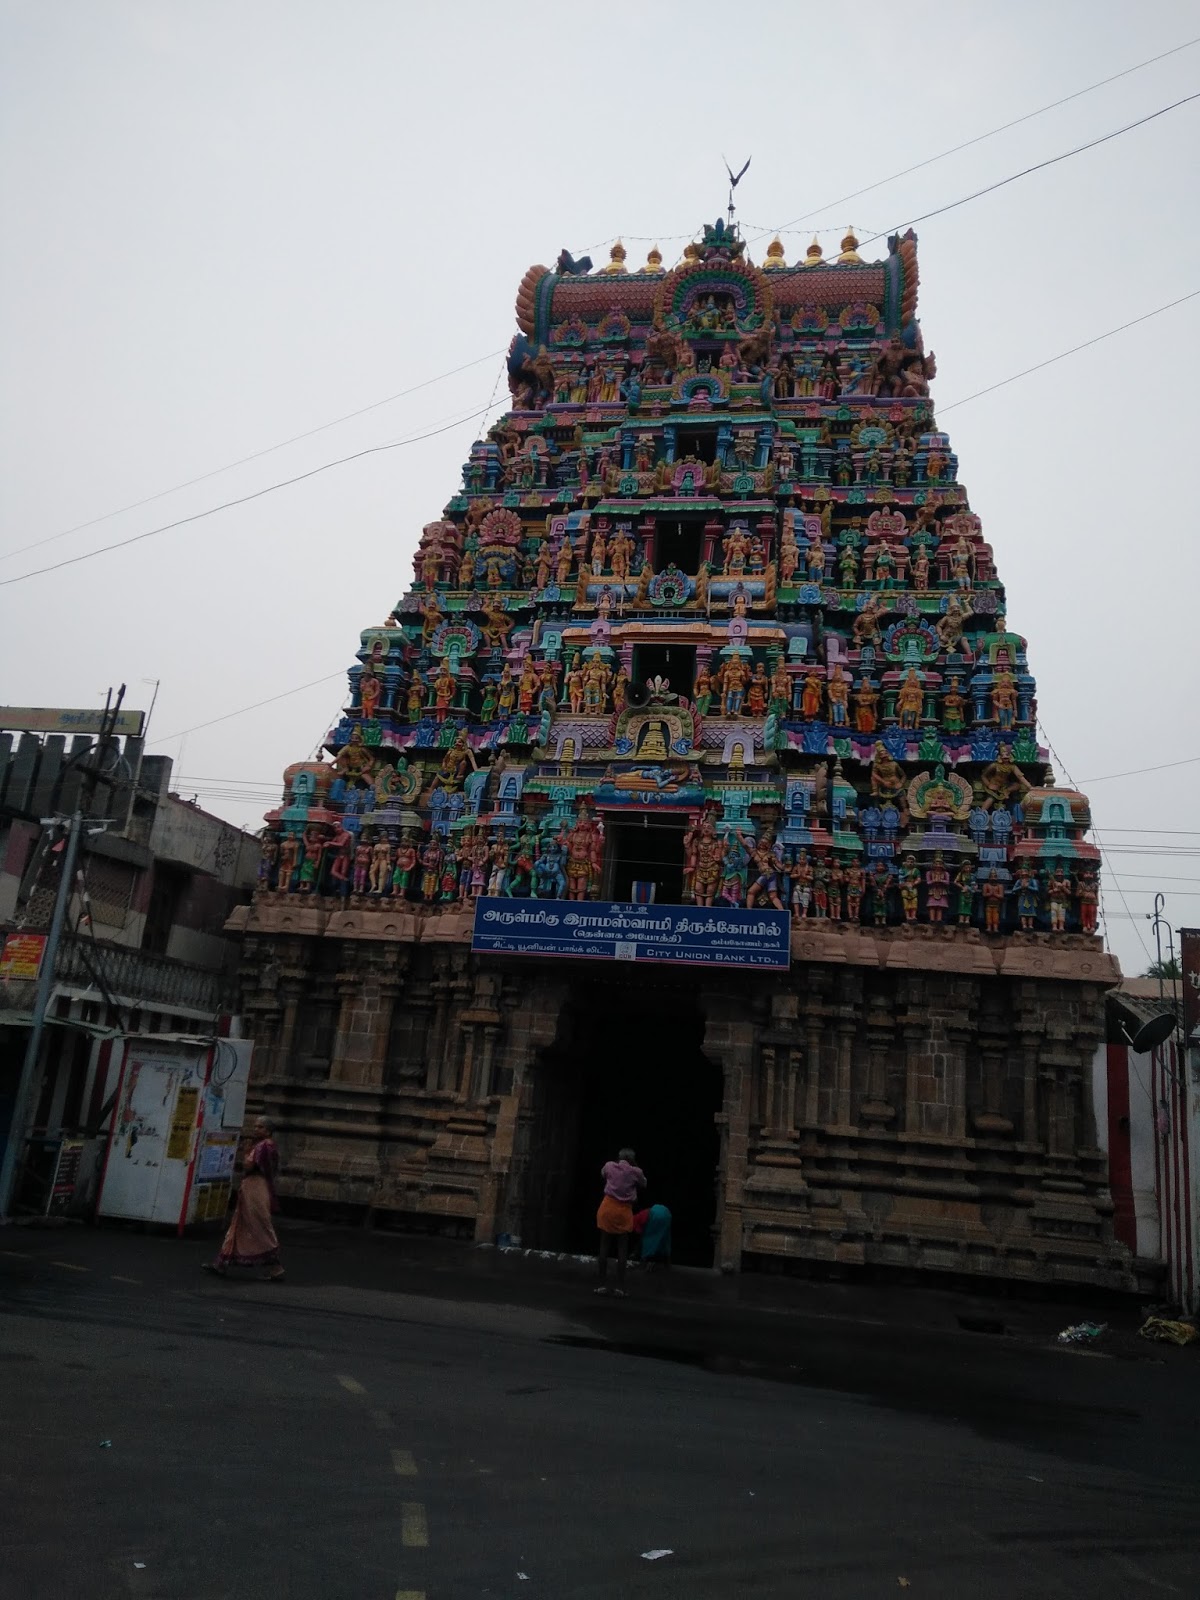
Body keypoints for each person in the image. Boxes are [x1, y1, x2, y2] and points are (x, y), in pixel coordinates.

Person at [203, 1117, 284, 1281]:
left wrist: (246, 1152)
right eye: (255, 1126)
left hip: (256, 1188)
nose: (256, 1129)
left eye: (260, 1127)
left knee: (258, 1225)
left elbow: (249, 1165)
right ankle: (222, 1262)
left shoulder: (264, 1146)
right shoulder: (267, 1146)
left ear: (268, 1131)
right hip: (255, 1187)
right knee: (240, 1224)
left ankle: (275, 1266)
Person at [595, 1146, 645, 1295]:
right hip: (623, 1211)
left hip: (607, 1208)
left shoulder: (610, 1165)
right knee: (622, 1250)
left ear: (619, 1157)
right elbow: (644, 1183)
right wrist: (634, 1168)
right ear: (631, 1159)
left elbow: (602, 1174)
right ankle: (620, 1288)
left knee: (604, 1247)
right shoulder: (636, 1172)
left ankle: (601, 1285)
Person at [633, 1202, 672, 1268]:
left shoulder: (634, 1220)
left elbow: (641, 1237)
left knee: (648, 1239)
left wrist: (635, 1252)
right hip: (667, 1214)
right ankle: (667, 1263)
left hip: (655, 1215)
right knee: (665, 1238)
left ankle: (644, 1262)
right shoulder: (641, 1214)